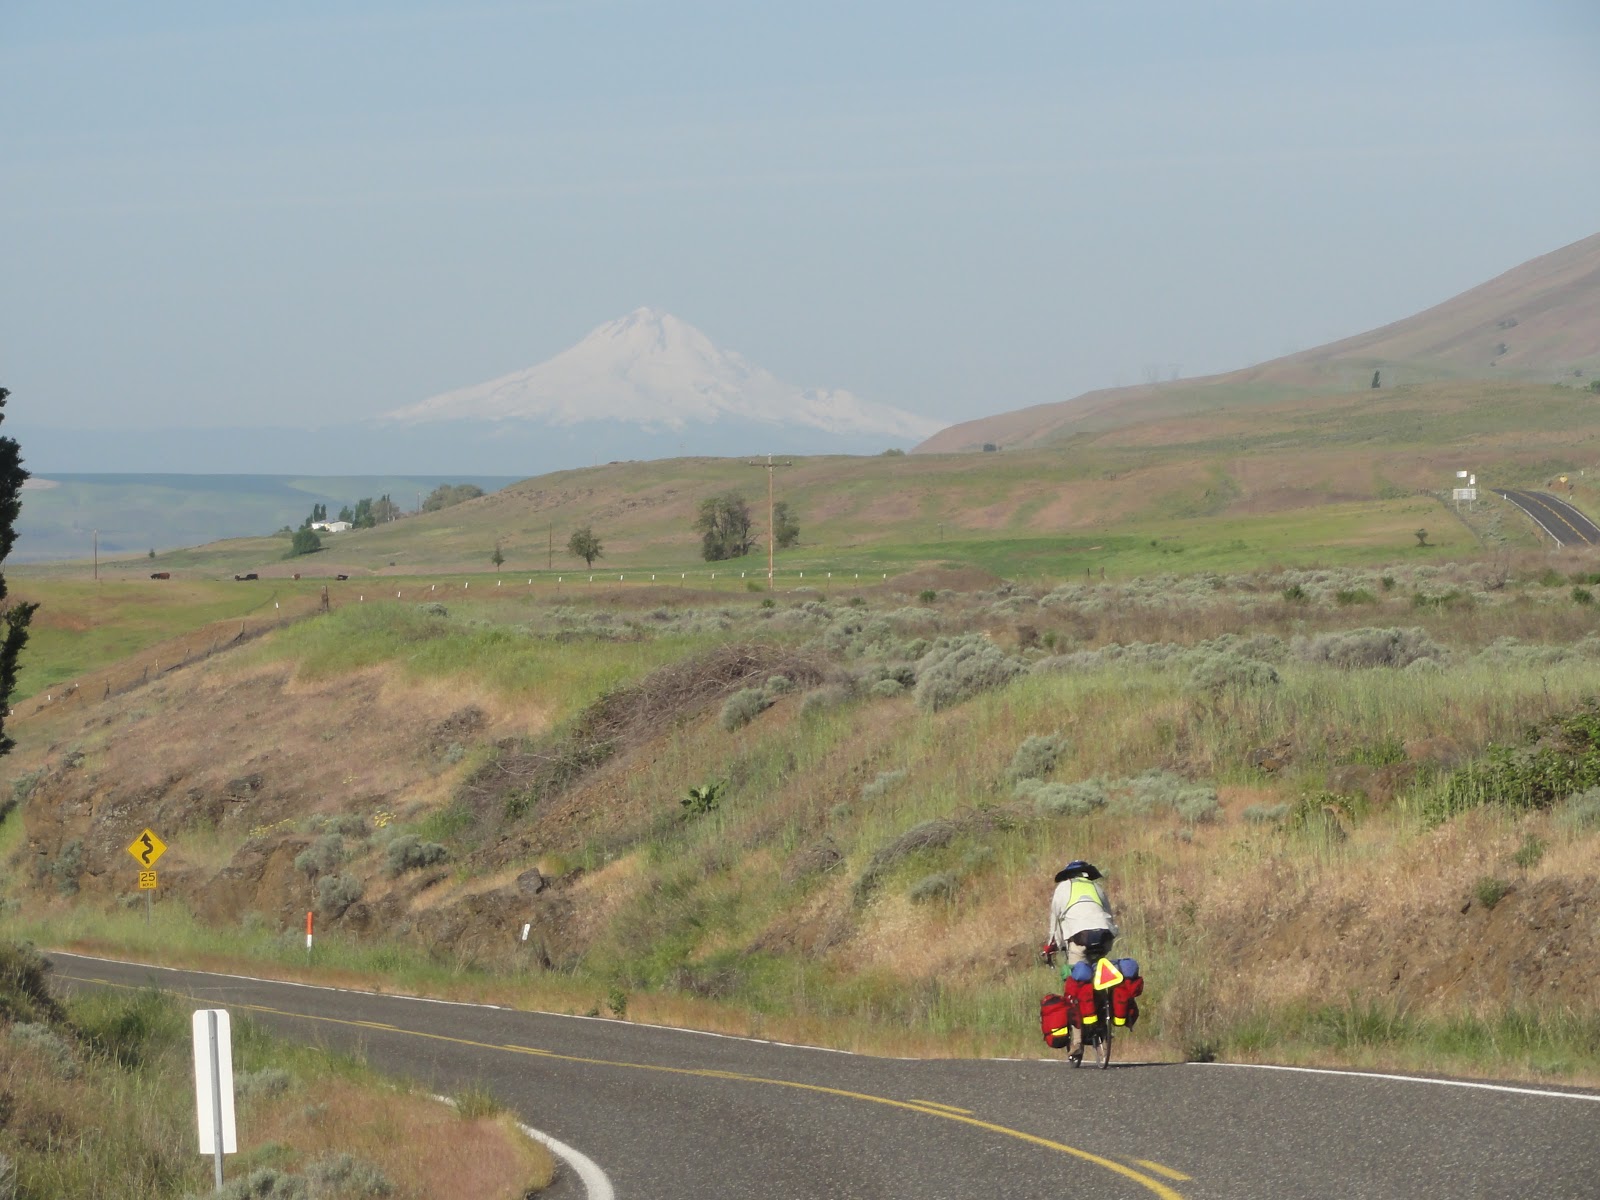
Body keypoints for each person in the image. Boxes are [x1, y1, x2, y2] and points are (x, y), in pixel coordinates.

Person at [1043, 860, 1117, 1058]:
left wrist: (1053, 946)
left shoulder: (1063, 888)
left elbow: (1055, 922)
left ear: (1068, 875)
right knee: (1097, 975)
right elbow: (1109, 916)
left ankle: (1076, 1043)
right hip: (1103, 937)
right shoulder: (1097, 887)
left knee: (1075, 986)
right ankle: (1103, 1023)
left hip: (1079, 939)